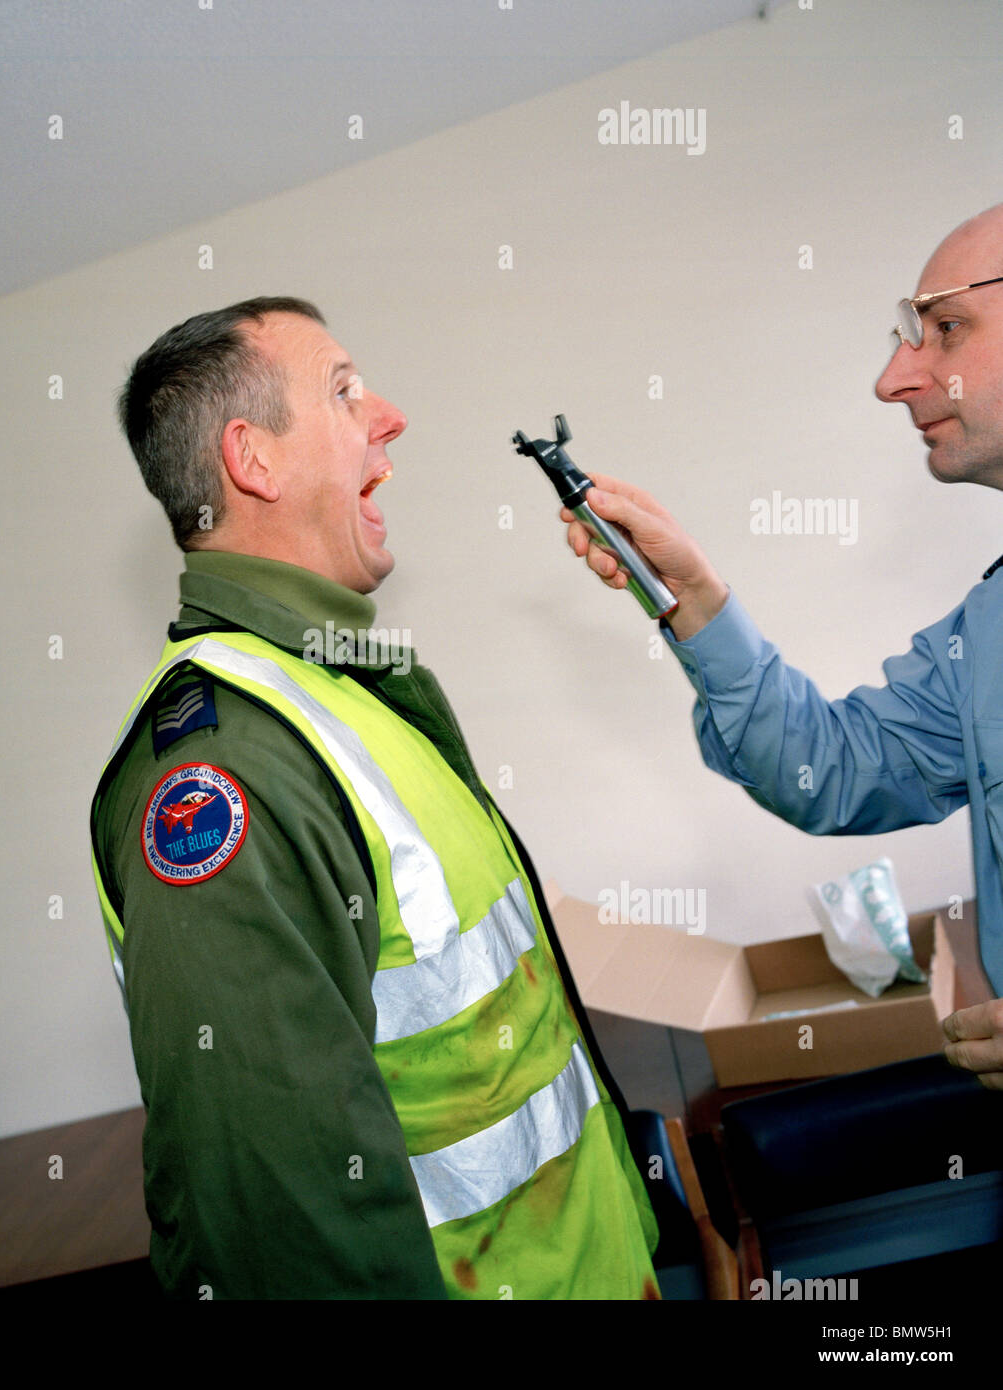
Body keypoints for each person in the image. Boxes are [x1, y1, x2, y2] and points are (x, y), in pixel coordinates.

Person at [90, 296, 660, 1298]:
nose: (388, 414)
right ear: (252, 461)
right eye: (345, 391)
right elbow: (277, 1228)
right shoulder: (223, 772)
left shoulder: (345, 696)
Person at [562, 204, 1003, 1092]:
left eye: (944, 328)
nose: (891, 379)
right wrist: (693, 598)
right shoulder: (985, 629)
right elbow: (831, 770)